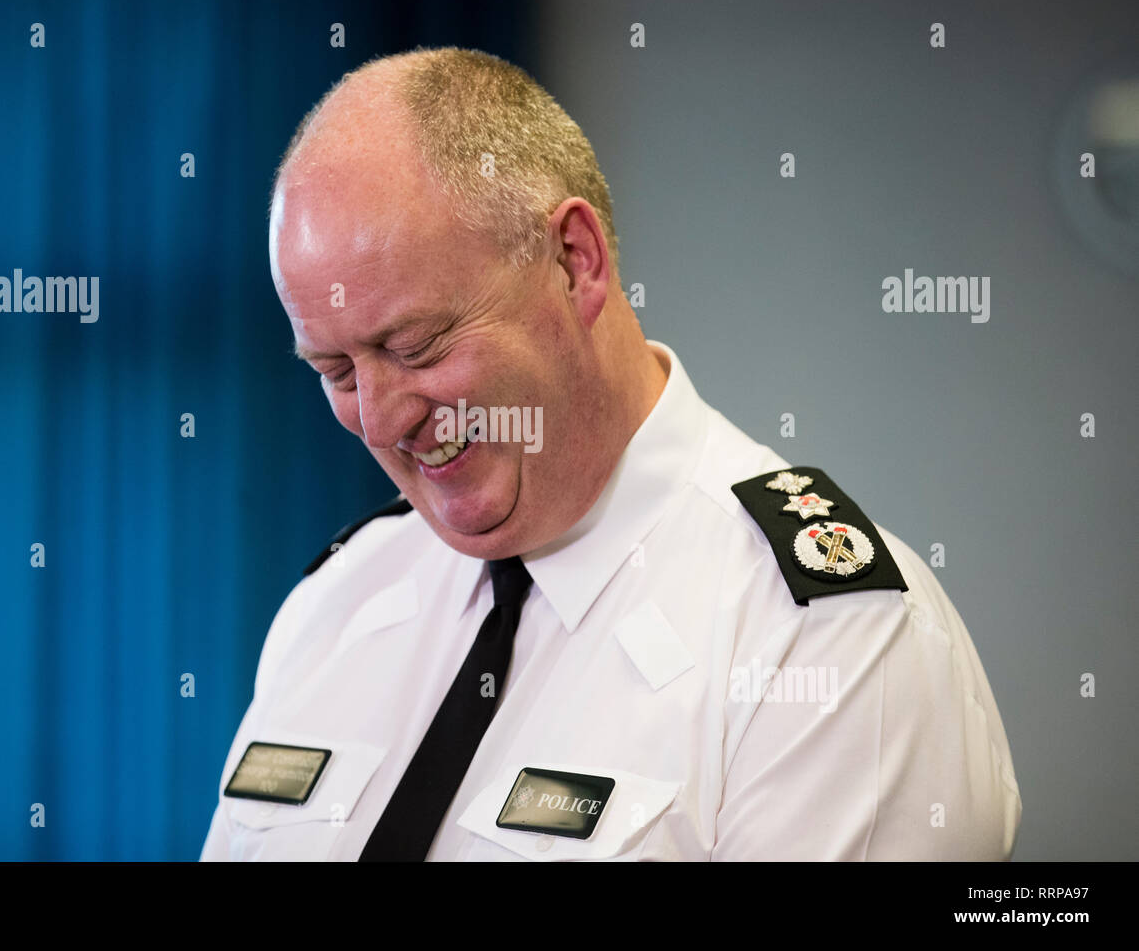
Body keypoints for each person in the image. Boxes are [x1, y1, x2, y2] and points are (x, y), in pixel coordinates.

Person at [200, 46, 1021, 861]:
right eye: (336, 370)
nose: (380, 422)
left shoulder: (825, 641)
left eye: (416, 345)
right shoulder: (340, 603)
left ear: (573, 261)